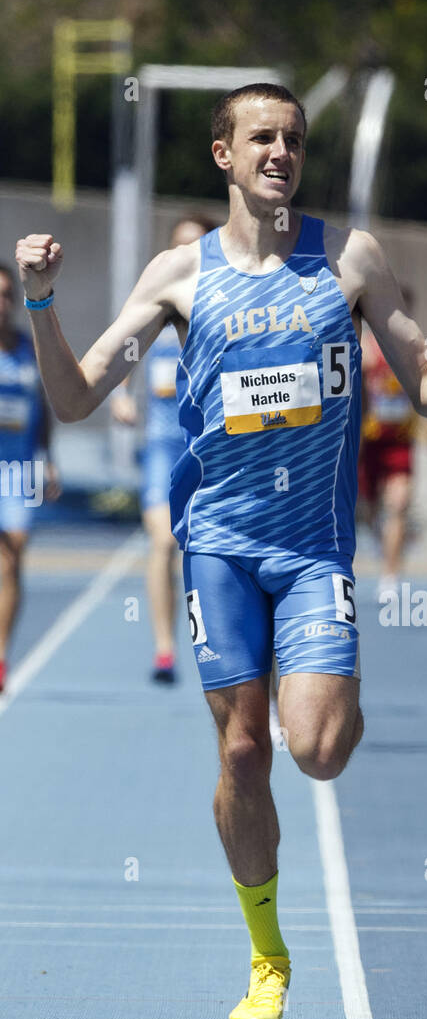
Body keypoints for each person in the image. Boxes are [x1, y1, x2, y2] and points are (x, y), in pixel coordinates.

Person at [16, 82, 427, 1019]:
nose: (280, 152)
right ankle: (268, 955)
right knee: (245, 751)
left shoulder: (350, 258)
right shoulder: (178, 276)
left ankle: (335, 700)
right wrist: (43, 302)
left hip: (315, 546)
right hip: (219, 547)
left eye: (292, 139)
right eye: (261, 138)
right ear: (225, 155)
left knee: (319, 750)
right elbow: (77, 398)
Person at [110, 214, 217, 682]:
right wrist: (121, 395)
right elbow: (127, 349)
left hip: (210, 449)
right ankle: (164, 648)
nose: (183, 257)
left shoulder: (218, 308)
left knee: (212, 549)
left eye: (193, 247)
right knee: (161, 540)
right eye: (176, 246)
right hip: (162, 446)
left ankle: (219, 644)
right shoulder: (158, 307)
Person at [0, 263, 60, 691]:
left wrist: (48, 459)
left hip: (18, 472)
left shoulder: (28, 351)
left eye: (6, 294)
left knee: (11, 556)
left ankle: (1, 655)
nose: (0, 303)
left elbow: (43, 412)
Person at [358, 286, 419, 601]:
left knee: (398, 504)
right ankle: (386, 548)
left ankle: (390, 575)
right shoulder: (366, 348)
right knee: (368, 513)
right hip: (368, 445)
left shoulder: (414, 351)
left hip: (399, 443)